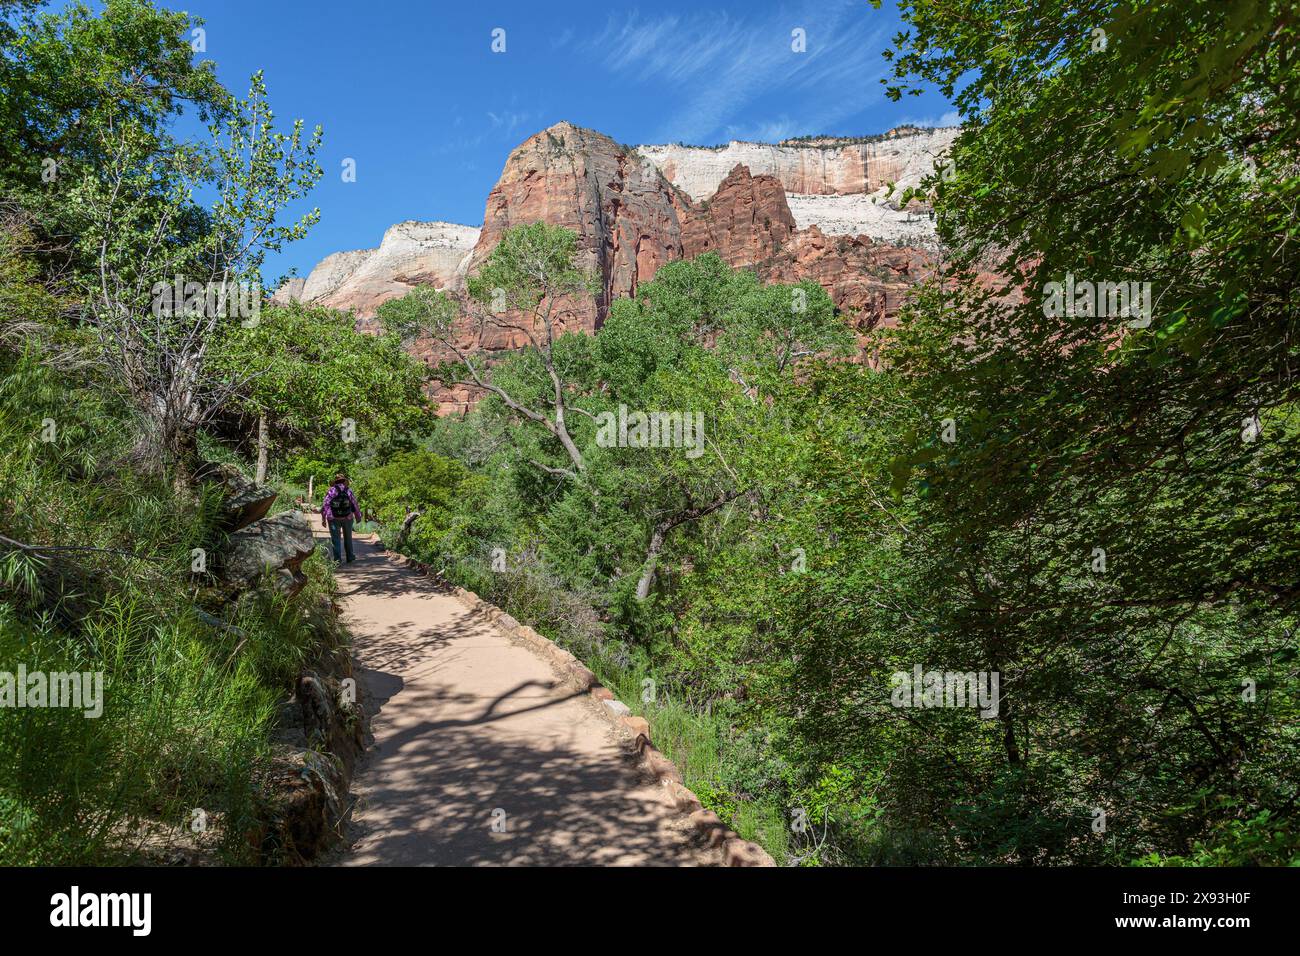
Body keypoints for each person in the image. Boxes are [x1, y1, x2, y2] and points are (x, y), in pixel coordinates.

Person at [321, 472, 360, 564]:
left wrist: (323, 518)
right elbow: (354, 503)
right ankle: (350, 557)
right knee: (348, 537)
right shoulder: (348, 490)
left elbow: (325, 505)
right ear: (344, 481)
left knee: (335, 539)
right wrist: (358, 516)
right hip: (348, 517)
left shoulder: (331, 491)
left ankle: (337, 560)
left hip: (333, 518)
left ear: (335, 481)